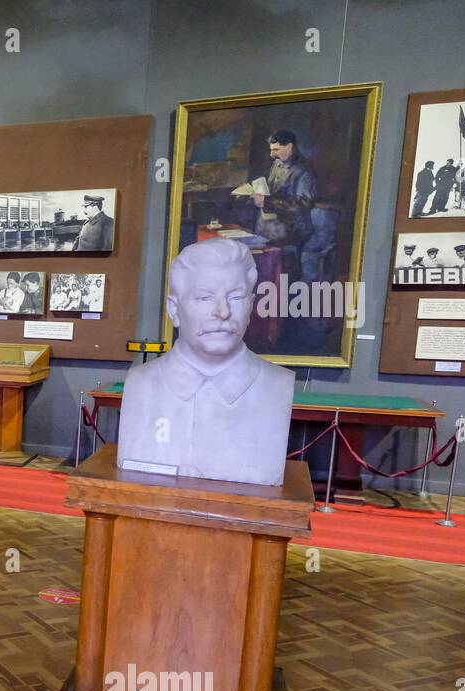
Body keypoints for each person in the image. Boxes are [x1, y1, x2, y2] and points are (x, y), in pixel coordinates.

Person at [116, 238, 294, 486]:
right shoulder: (142, 383)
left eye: (236, 297)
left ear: (251, 305)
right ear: (174, 311)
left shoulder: (277, 386)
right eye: (204, 298)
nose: (223, 312)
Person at [251, 129, 317, 277]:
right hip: (270, 229)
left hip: (291, 233)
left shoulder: (304, 170)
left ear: (289, 146)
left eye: (276, 149)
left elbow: (303, 204)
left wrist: (267, 201)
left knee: (286, 275)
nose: (272, 154)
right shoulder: (278, 163)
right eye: (271, 149)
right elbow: (273, 190)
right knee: (265, 271)